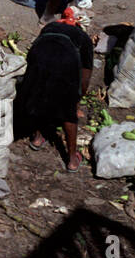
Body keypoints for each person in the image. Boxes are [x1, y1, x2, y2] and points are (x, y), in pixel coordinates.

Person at [16, 14, 93, 172]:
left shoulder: (49, 27)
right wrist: (76, 102)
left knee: (38, 94)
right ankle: (72, 159)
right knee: (67, 110)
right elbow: (85, 79)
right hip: (64, 59)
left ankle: (37, 138)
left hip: (39, 54)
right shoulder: (85, 39)